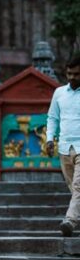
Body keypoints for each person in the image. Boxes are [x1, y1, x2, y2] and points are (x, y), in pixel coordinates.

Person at [45, 57, 80, 236]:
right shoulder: (59, 93)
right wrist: (49, 139)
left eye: (76, 74)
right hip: (64, 147)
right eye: (69, 74)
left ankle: (70, 221)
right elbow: (52, 118)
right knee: (72, 188)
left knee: (79, 186)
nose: (72, 77)